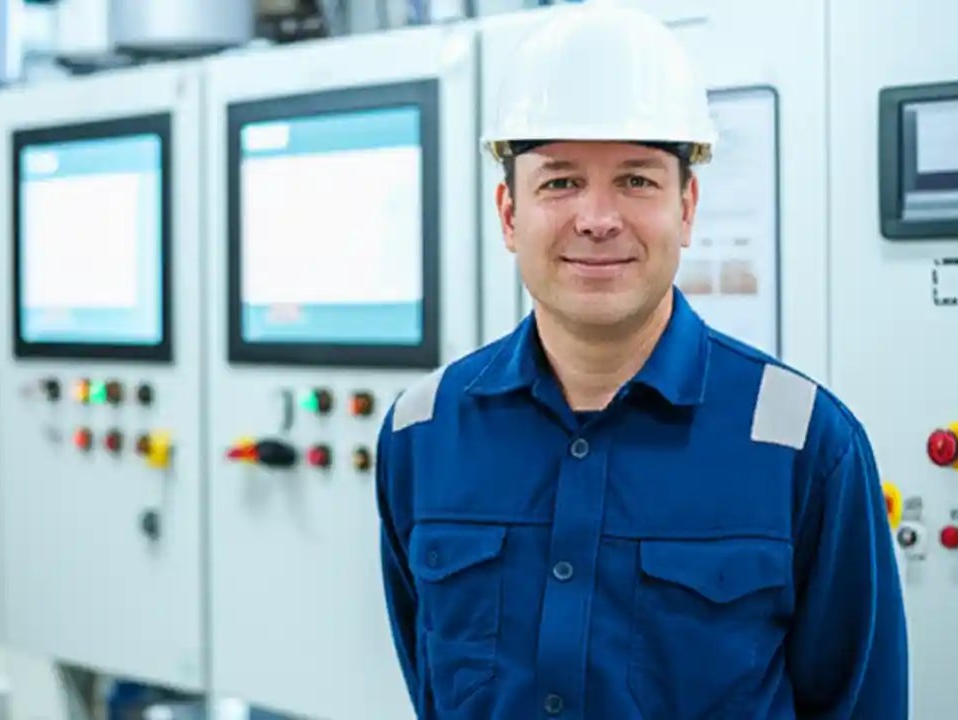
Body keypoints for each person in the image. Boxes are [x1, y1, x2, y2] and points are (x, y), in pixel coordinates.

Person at [374, 3, 908, 718]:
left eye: (636, 180)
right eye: (560, 181)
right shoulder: (423, 435)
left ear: (687, 207)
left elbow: (858, 701)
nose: (598, 218)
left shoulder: (804, 444)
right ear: (509, 213)